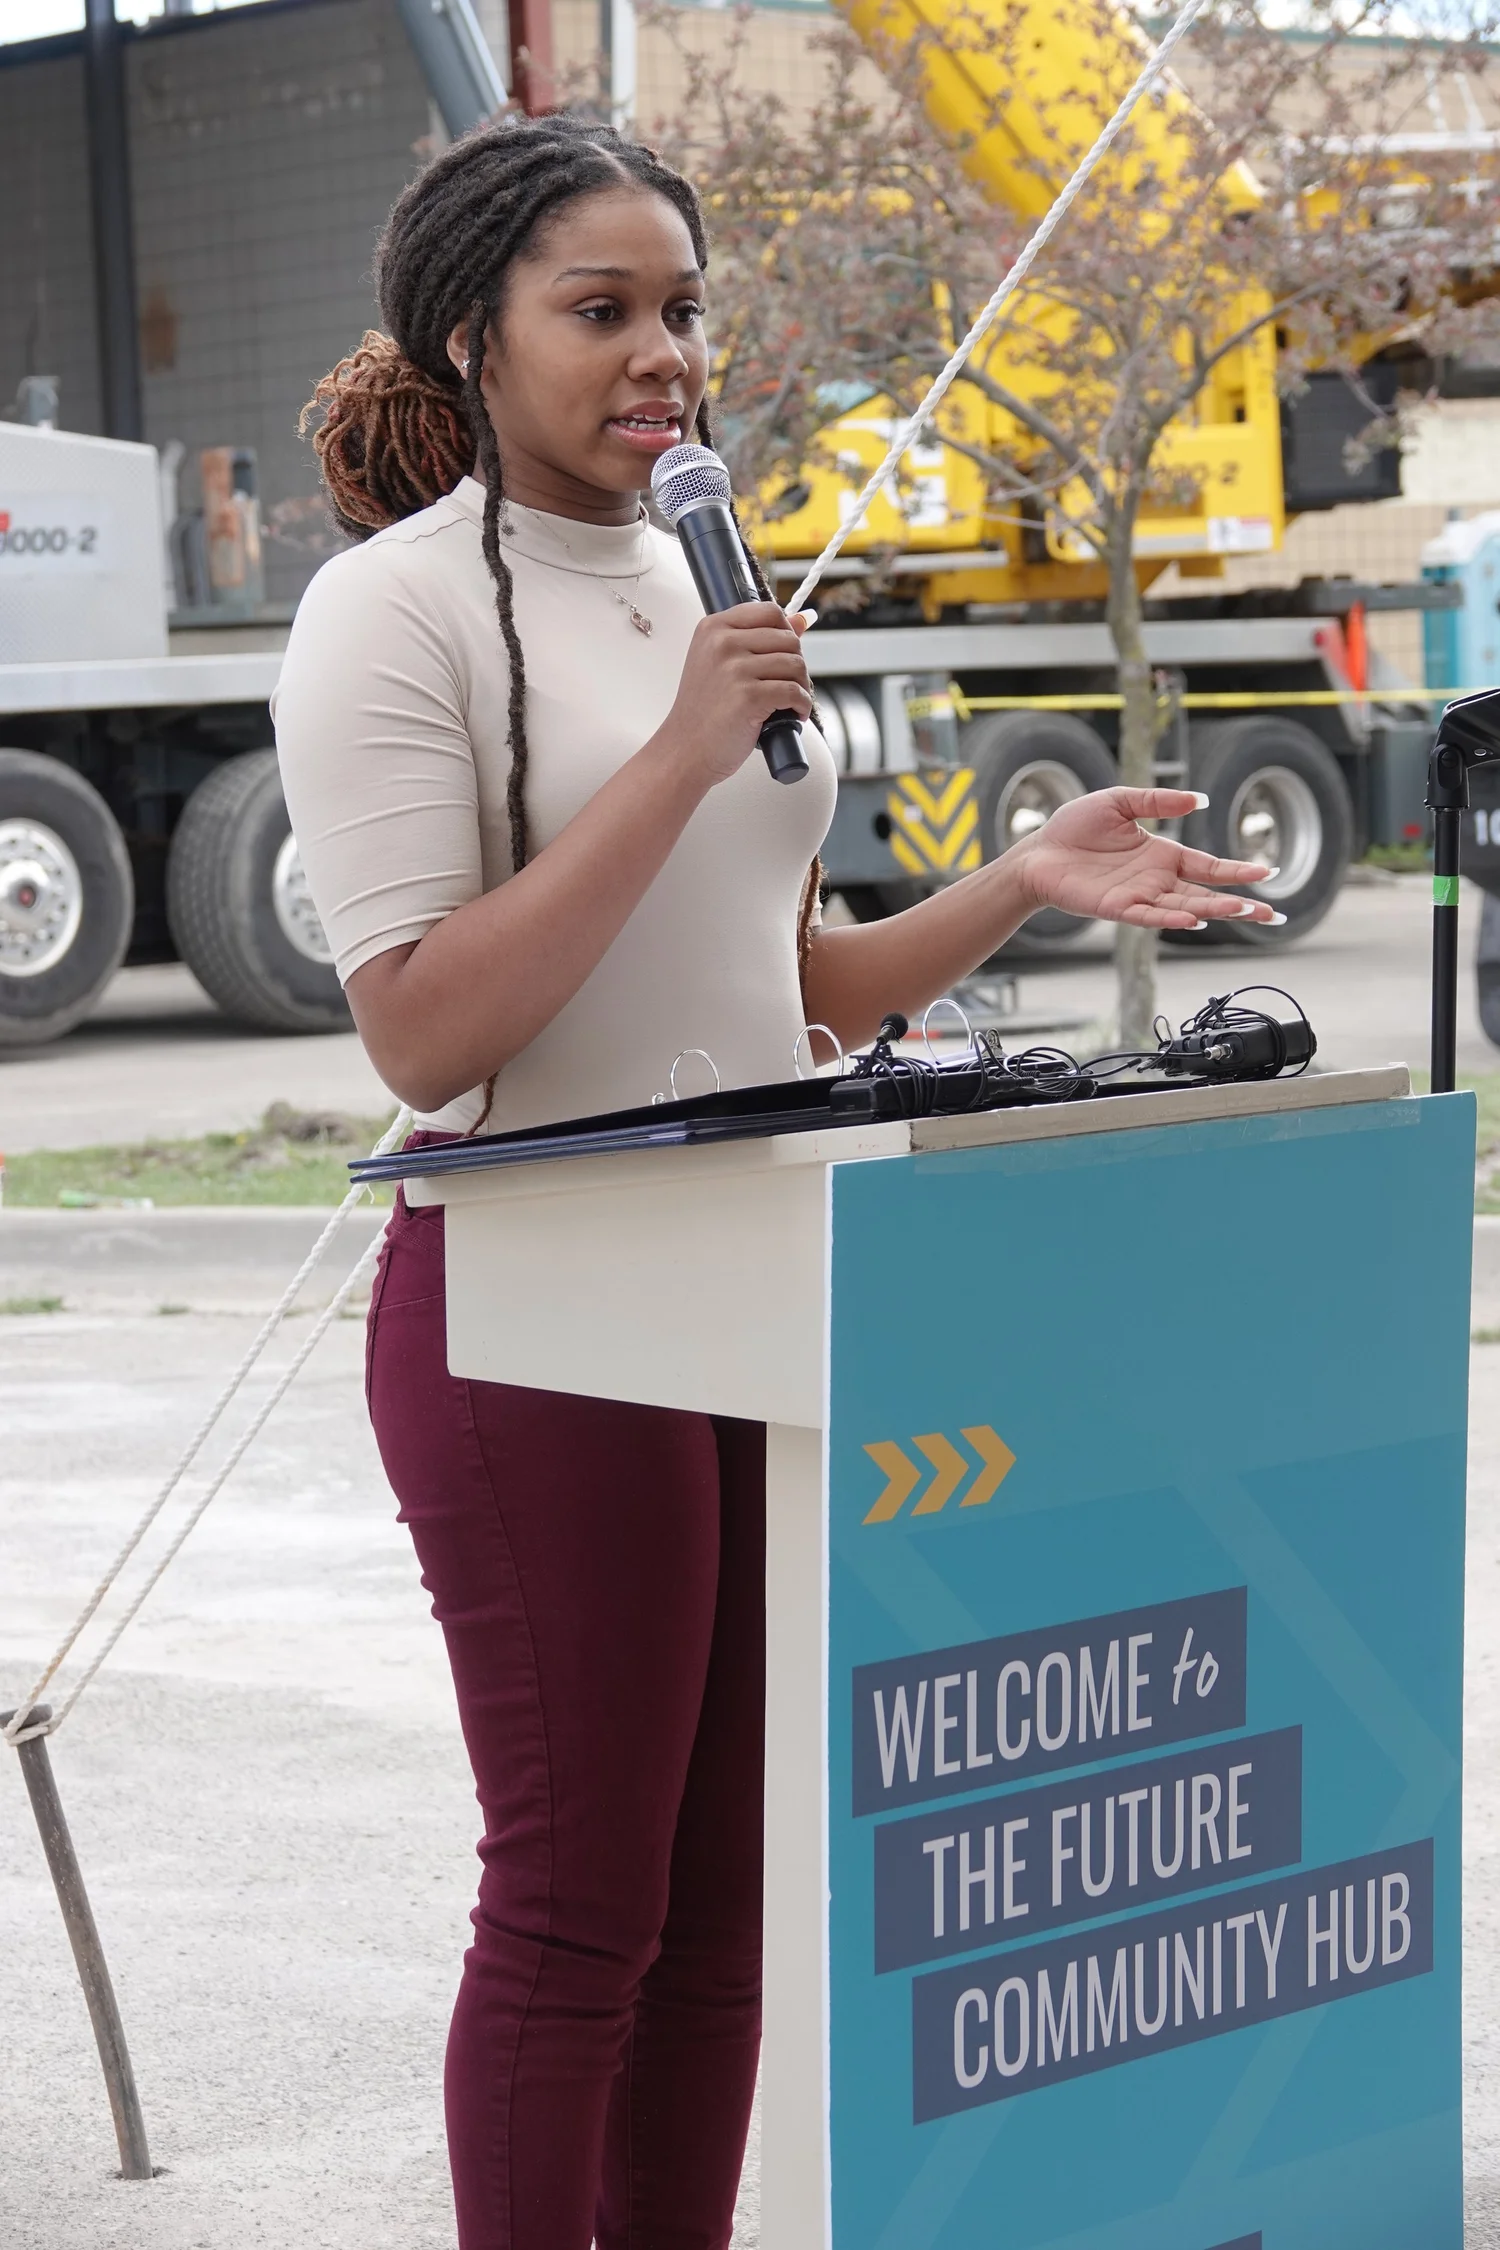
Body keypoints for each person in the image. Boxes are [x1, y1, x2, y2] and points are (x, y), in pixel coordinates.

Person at [272, 112, 1278, 2250]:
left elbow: (785, 996)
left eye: (685, 312)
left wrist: (1017, 880)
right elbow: (430, 1030)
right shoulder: (395, 612)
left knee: (723, 1921)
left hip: (755, 1297)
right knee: (575, 1918)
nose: (665, 360)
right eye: (602, 311)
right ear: (472, 336)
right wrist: (677, 755)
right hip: (535, 1315)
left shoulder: (692, 592)